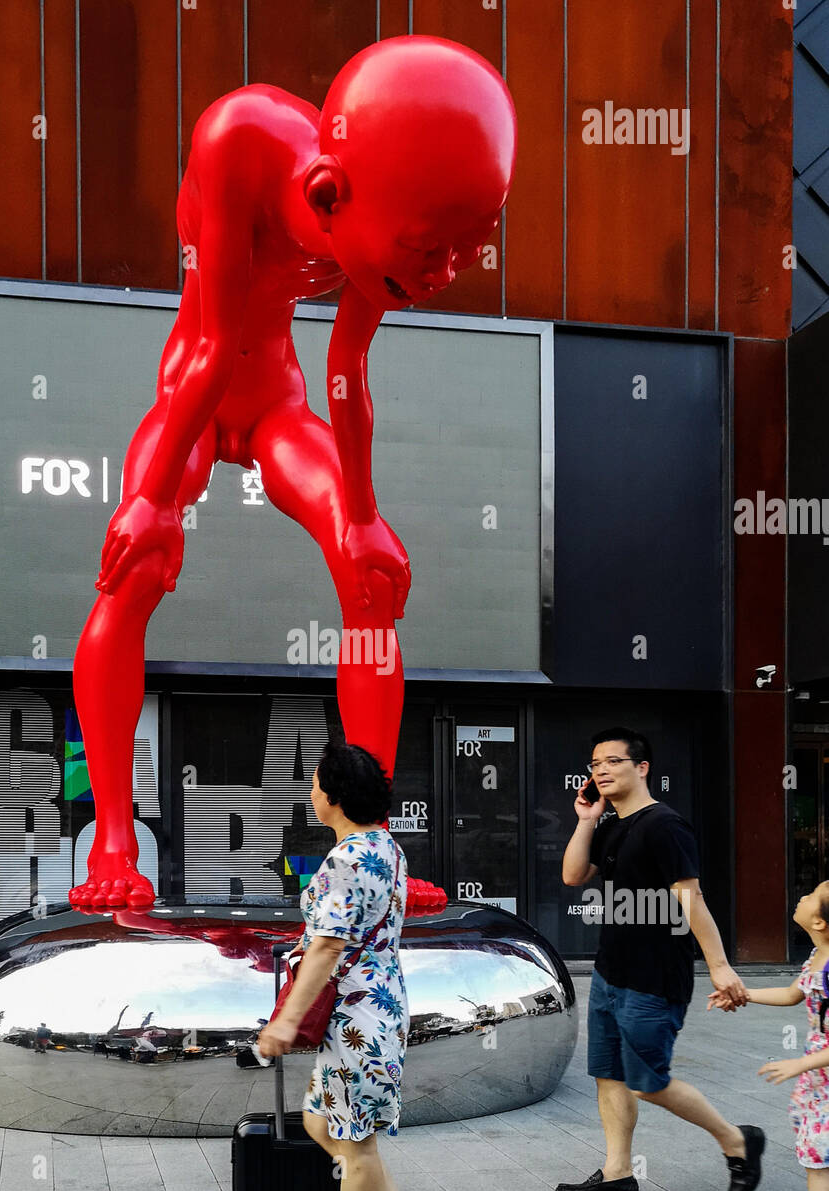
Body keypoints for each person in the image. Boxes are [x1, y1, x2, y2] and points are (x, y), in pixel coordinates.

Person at [68, 36, 515, 911]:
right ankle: (114, 843)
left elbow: (346, 369)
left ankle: (370, 848)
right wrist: (154, 499)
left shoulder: (382, 215)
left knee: (368, 581)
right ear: (326, 194)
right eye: (430, 249)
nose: (439, 275)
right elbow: (206, 344)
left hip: (278, 403)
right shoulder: (239, 137)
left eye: (464, 249)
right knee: (133, 568)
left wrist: (362, 517)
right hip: (192, 392)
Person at [257, 741, 447, 1191]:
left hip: (356, 1018)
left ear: (333, 795)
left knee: (355, 1143)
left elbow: (326, 948)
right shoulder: (387, 847)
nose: (310, 792)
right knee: (322, 1124)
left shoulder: (344, 860)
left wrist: (284, 1023)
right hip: (379, 1005)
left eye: (315, 782)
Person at [557, 727, 764, 1191]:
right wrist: (587, 819)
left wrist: (719, 965)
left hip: (654, 976)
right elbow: (572, 875)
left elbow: (691, 899)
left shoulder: (664, 825)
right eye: (595, 764)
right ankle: (617, 1173)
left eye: (612, 761)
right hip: (611, 972)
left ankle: (737, 1140)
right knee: (608, 1073)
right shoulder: (611, 825)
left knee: (647, 1081)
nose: (601, 770)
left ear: (642, 767)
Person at [708, 883, 829, 1191]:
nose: (801, 896)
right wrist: (743, 996)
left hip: (822, 1079)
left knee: (819, 1165)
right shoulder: (817, 957)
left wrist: (800, 1064)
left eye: (811, 895)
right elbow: (794, 995)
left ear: (820, 921)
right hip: (819, 1080)